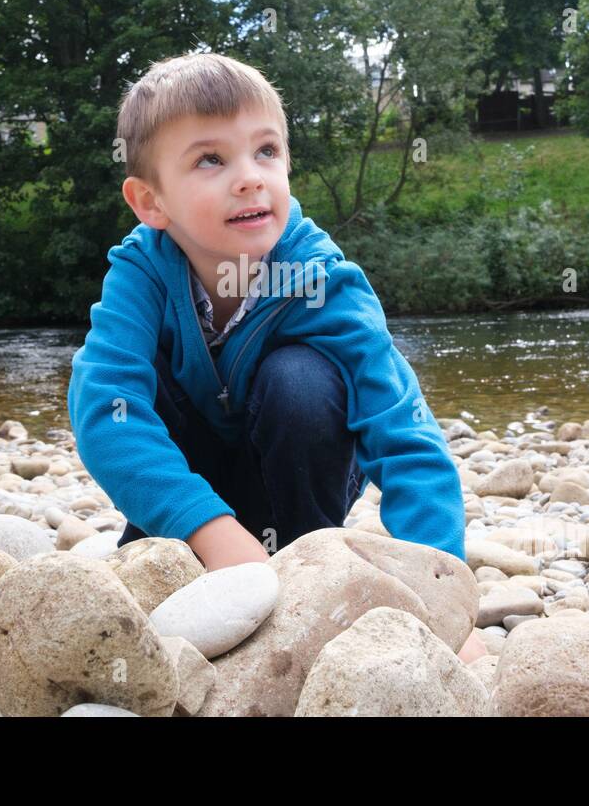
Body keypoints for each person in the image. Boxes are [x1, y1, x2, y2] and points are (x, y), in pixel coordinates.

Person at [66, 52, 485, 663]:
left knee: (301, 379)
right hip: (189, 493)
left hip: (294, 486)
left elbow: (402, 431)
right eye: (211, 159)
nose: (249, 177)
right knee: (135, 386)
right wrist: (212, 532)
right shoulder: (141, 271)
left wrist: (443, 595)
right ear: (151, 203)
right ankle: (178, 547)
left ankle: (307, 574)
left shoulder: (321, 277)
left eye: (266, 152)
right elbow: (105, 411)